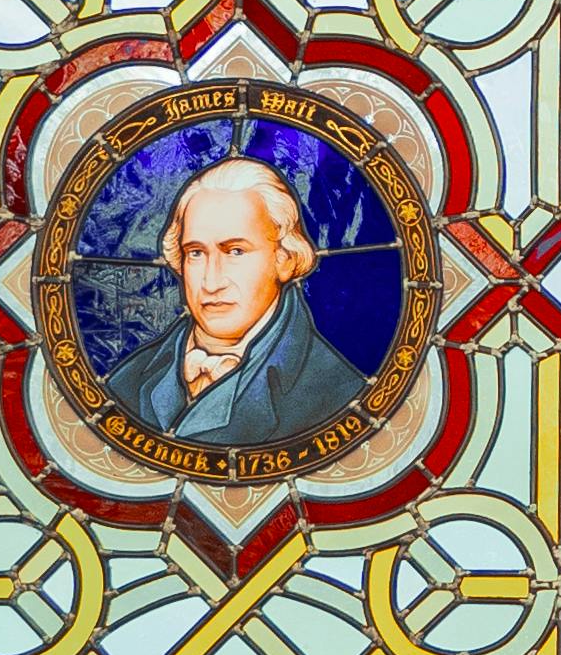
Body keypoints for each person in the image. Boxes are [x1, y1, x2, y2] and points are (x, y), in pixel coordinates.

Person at [109, 151, 372, 452]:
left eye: (235, 252)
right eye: (195, 253)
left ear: (284, 258)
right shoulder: (127, 380)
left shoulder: (336, 394)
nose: (211, 281)